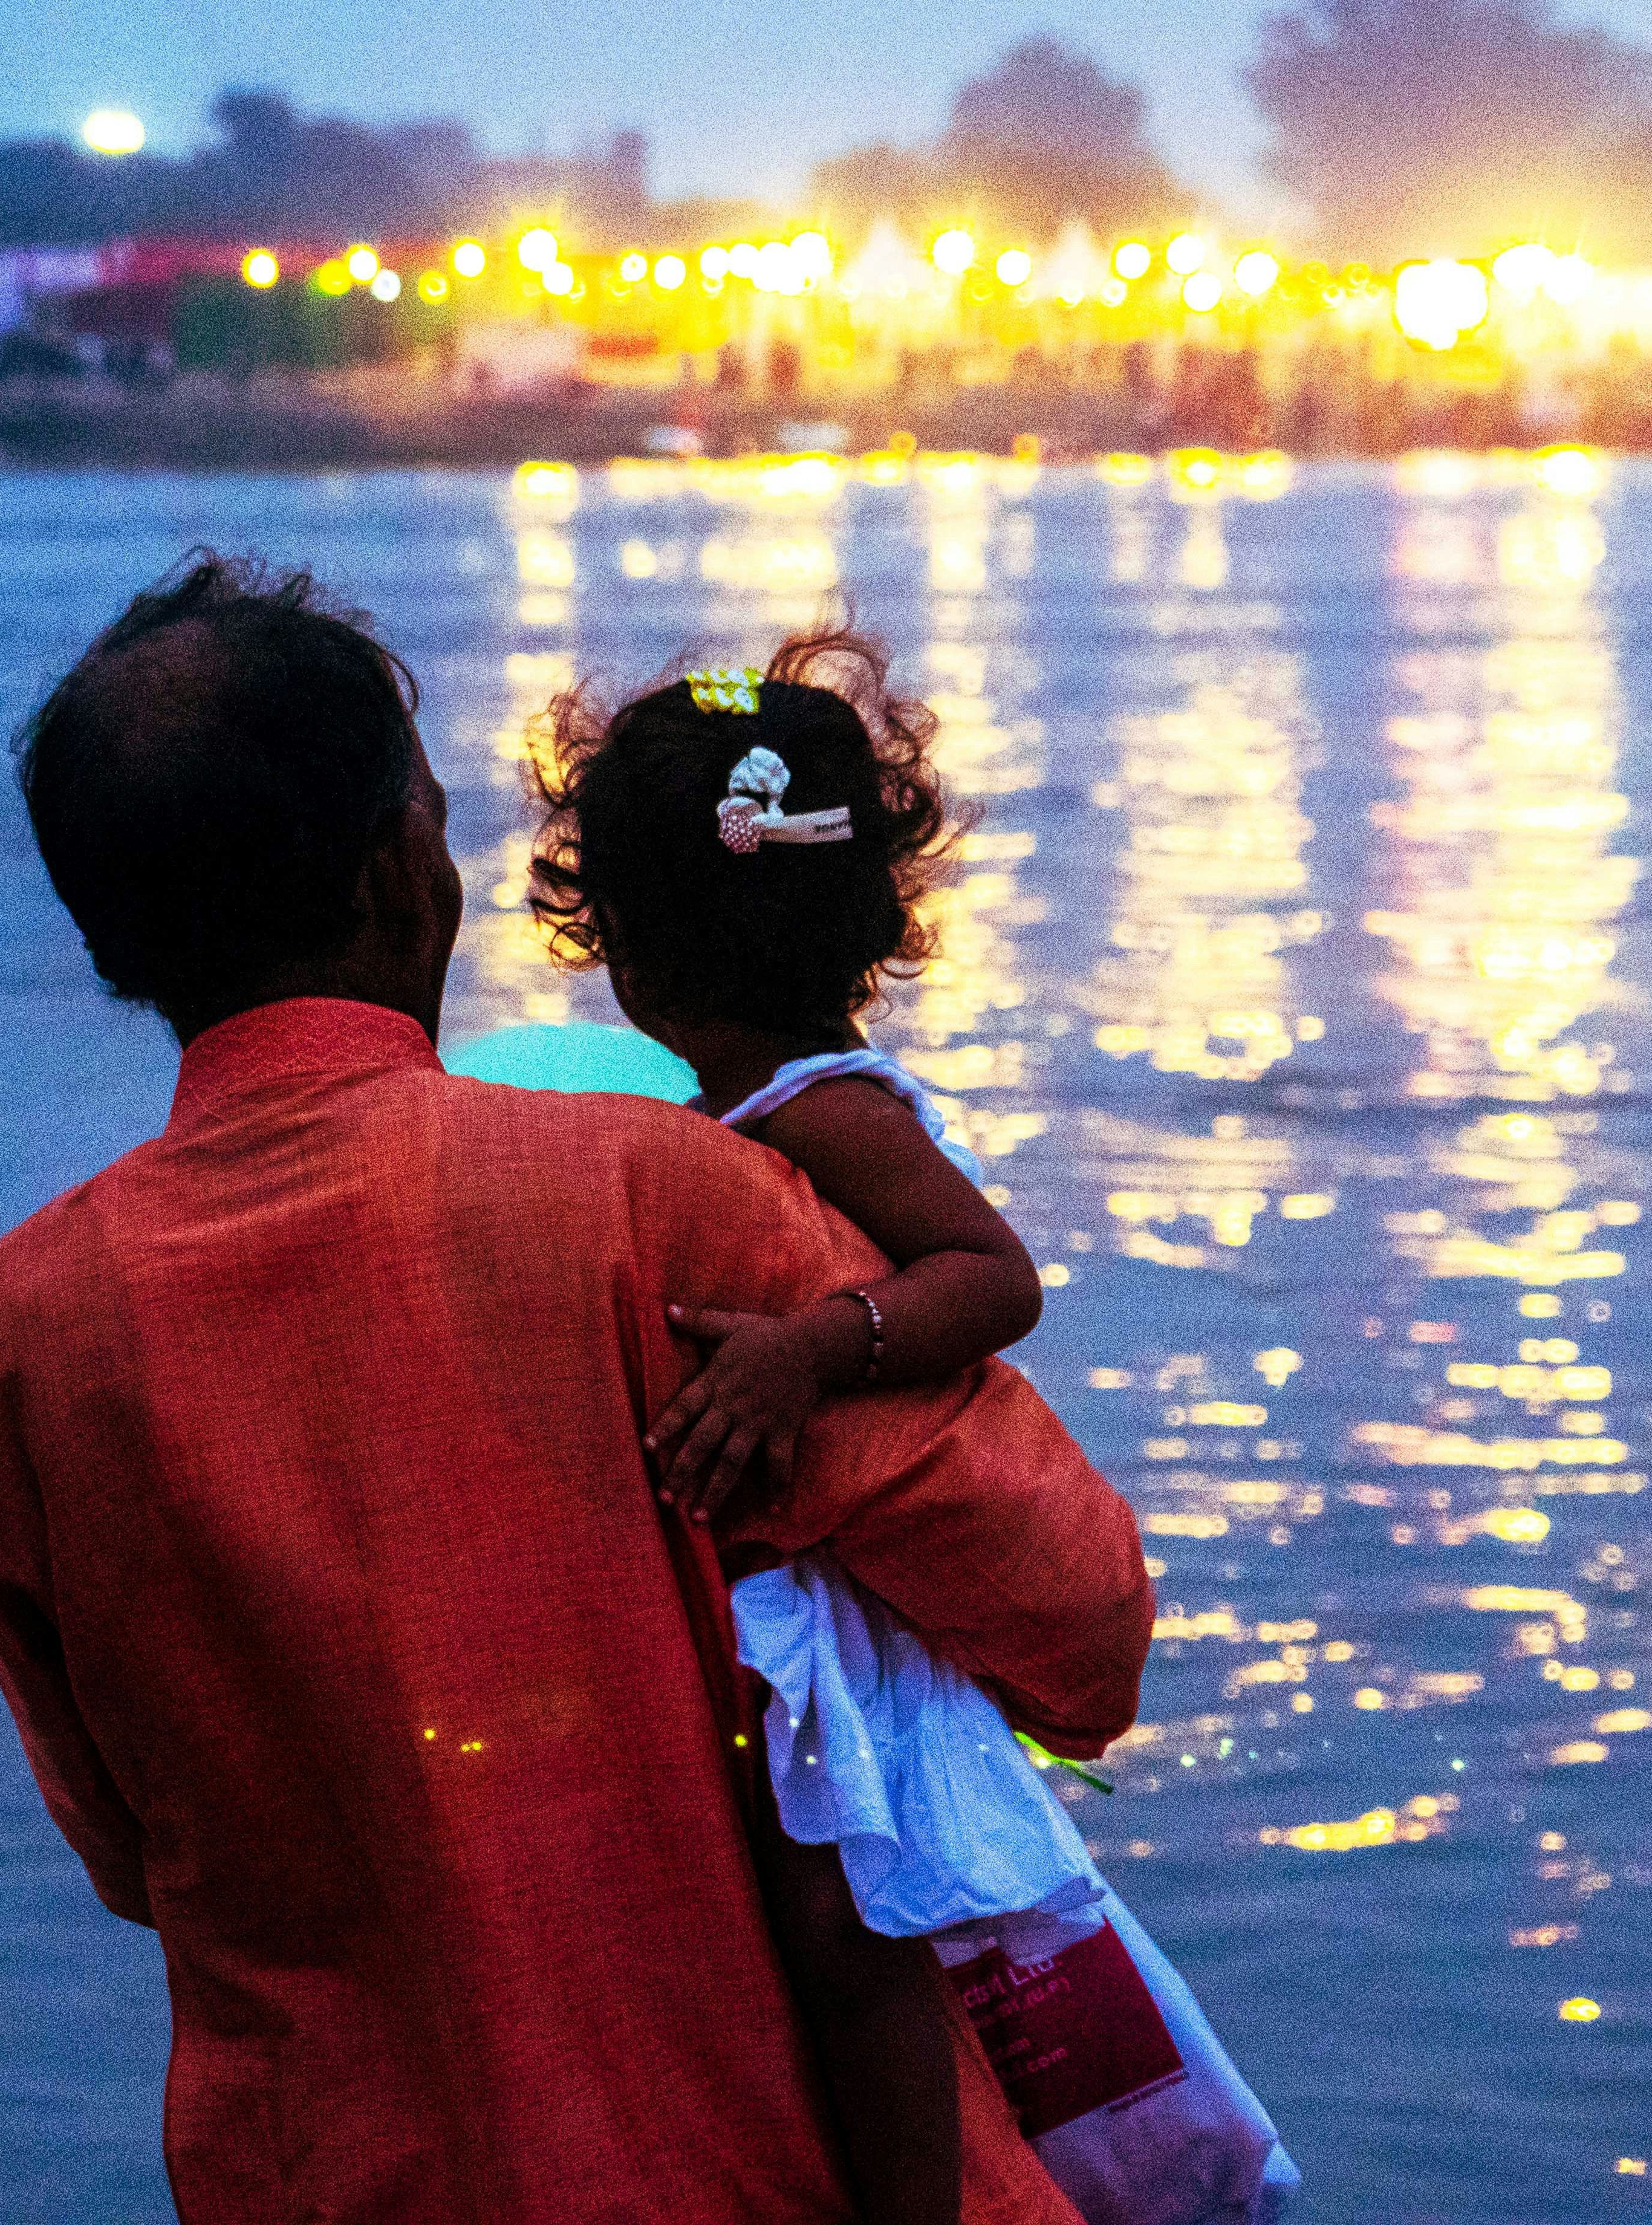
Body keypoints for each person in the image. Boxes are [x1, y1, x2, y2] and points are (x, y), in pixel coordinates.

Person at [0, 556, 1153, 2225]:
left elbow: (138, 1865)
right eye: (431, 819)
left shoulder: (0, 1348)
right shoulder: (662, 1200)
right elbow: (1079, 1625)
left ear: (110, 931)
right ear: (392, 876)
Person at [530, 635, 1298, 2225]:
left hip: (835, 1616)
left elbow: (991, 1277)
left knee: (849, 1919)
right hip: (787, 1588)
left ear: (621, 937)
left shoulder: (820, 1104)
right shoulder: (702, 1105)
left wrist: (814, 1352)